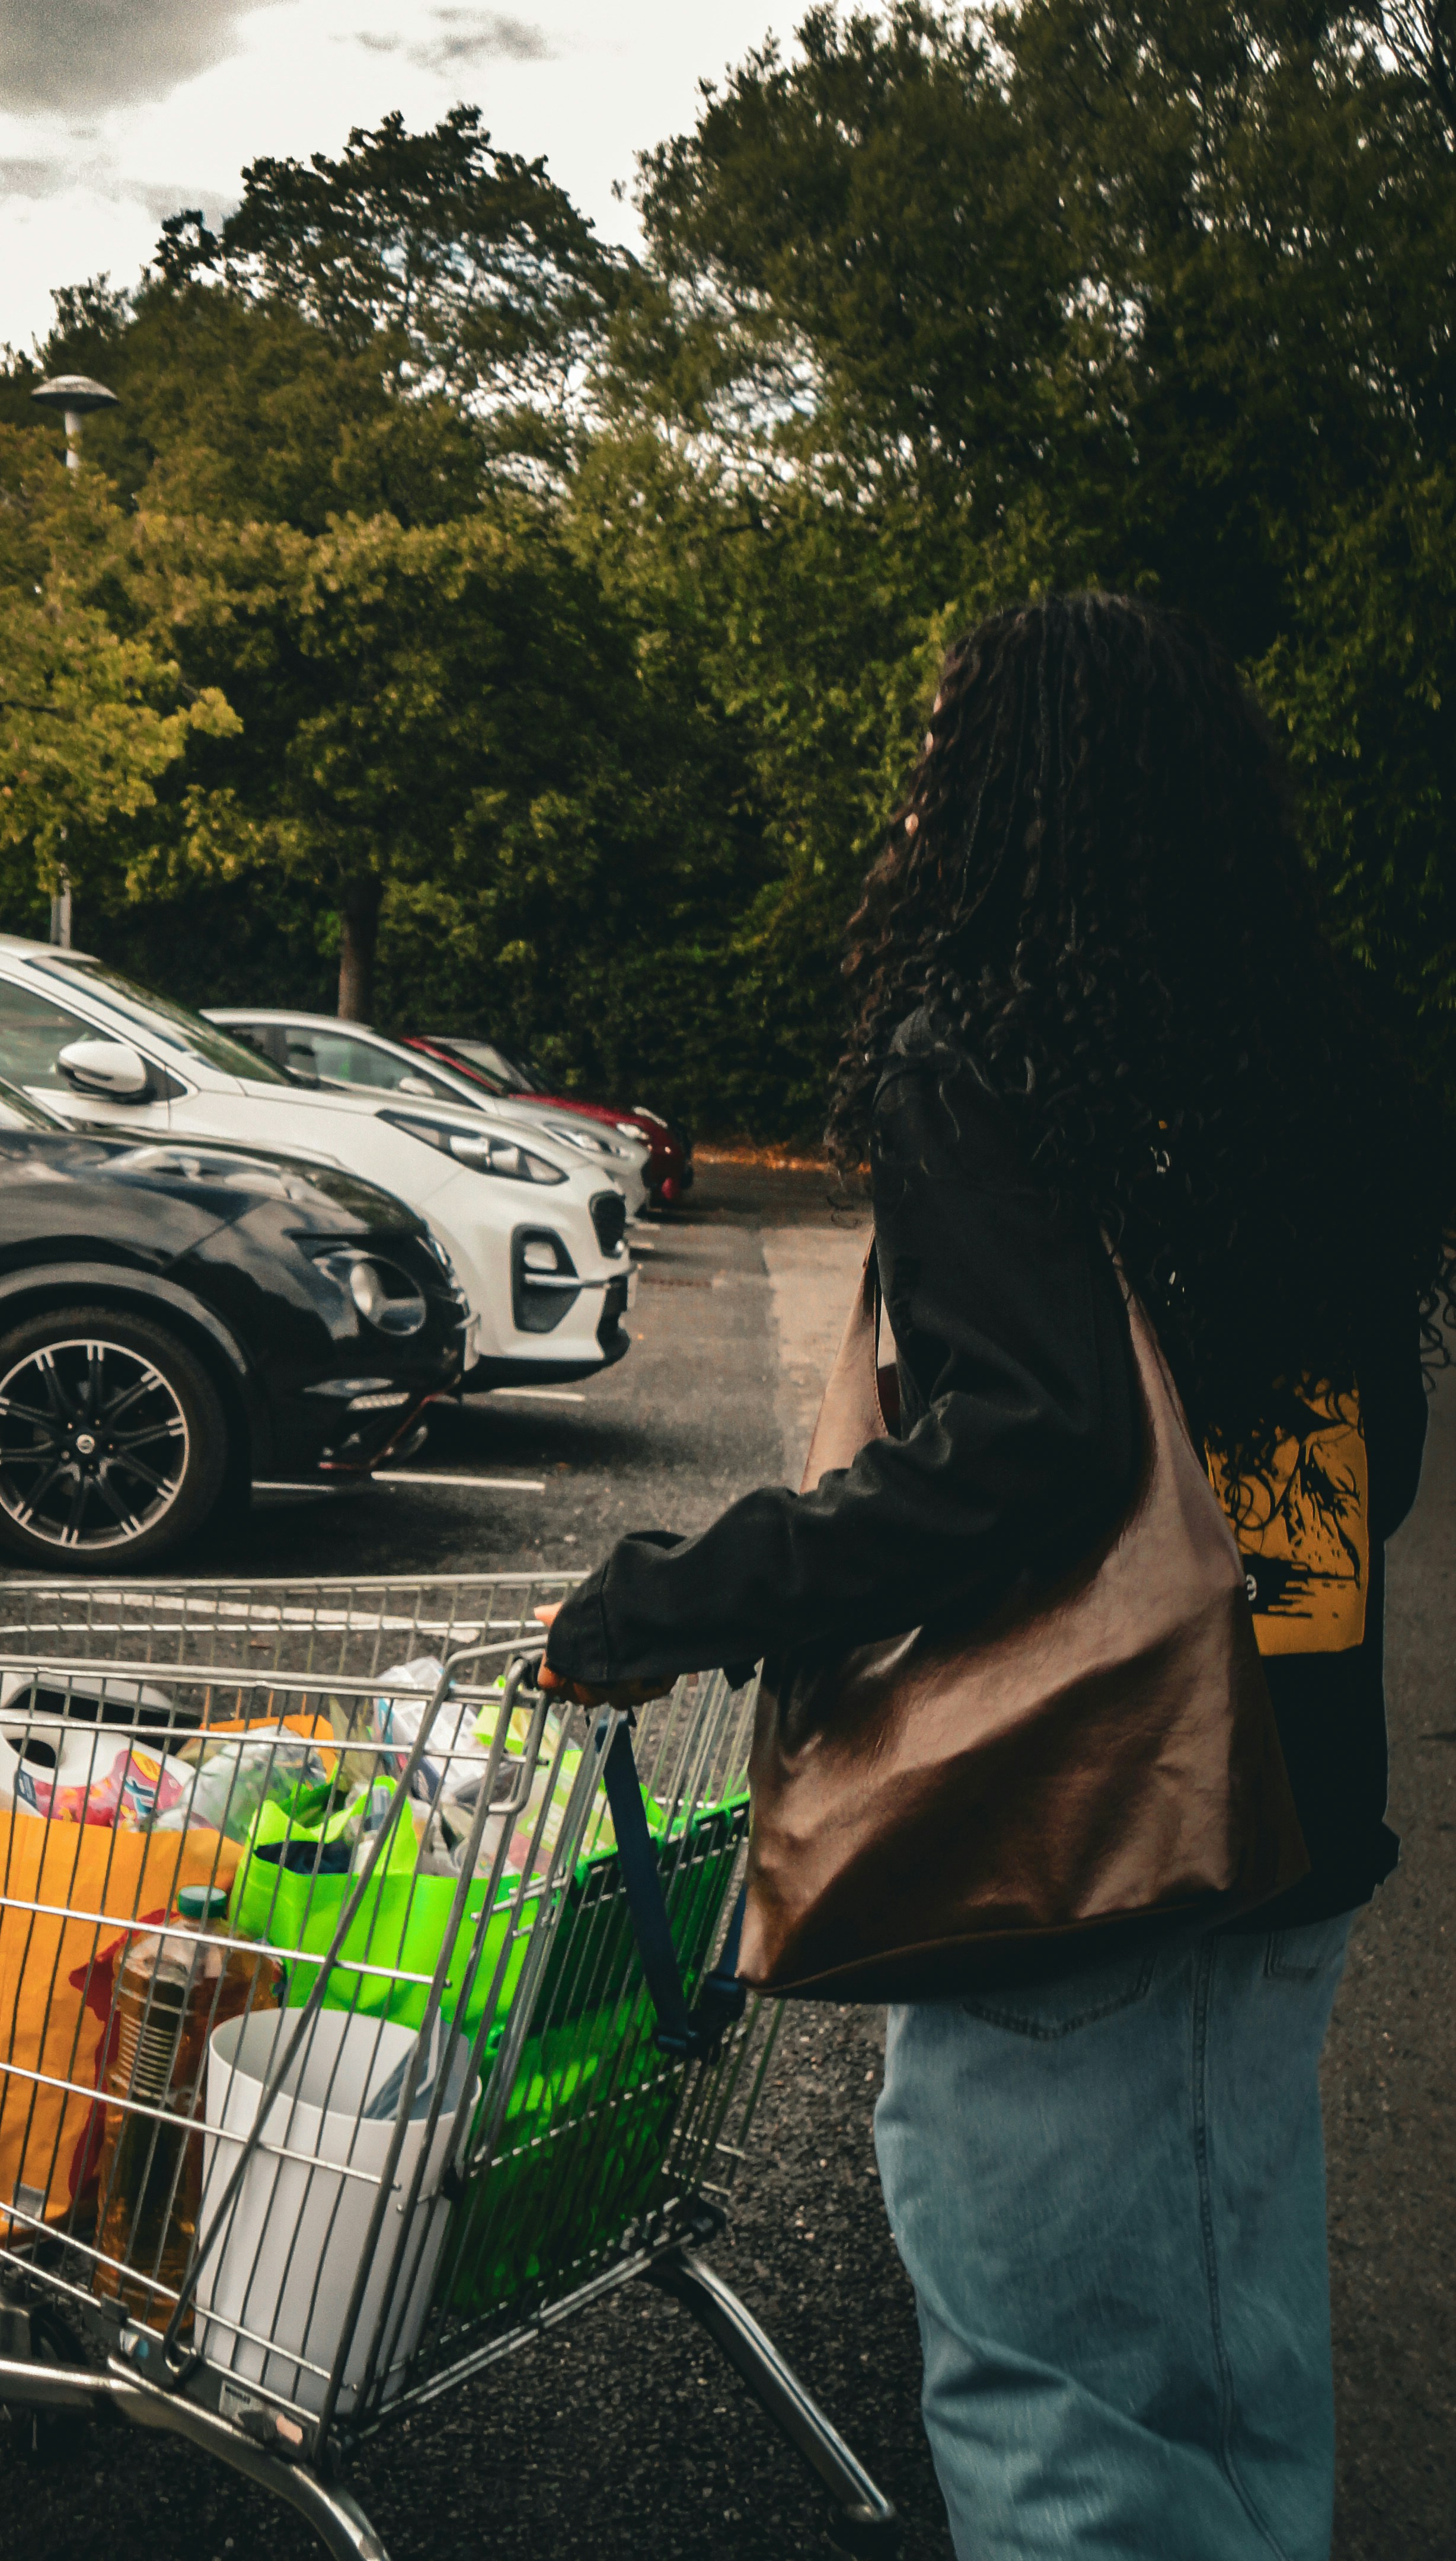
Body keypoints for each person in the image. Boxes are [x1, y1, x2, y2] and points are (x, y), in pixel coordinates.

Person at [539, 593, 1452, 2560]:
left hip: (1089, 1827)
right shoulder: (1328, 1051)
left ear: (1001, 791)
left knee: (1055, 2407)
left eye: (943, 751)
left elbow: (1029, 1449)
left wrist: (670, 1602)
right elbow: (1376, 1428)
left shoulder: (992, 1057)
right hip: (1302, 1803)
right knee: (1234, 2379)